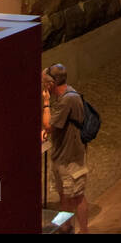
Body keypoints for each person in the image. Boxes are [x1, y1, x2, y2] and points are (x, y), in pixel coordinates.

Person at [41, 63, 88, 233]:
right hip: (60, 155)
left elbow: (48, 124)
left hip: (71, 157)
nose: (43, 87)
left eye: (44, 83)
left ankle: (84, 230)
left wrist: (46, 102)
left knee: (77, 196)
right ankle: (65, 226)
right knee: (63, 195)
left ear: (51, 84)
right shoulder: (64, 97)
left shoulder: (68, 99)